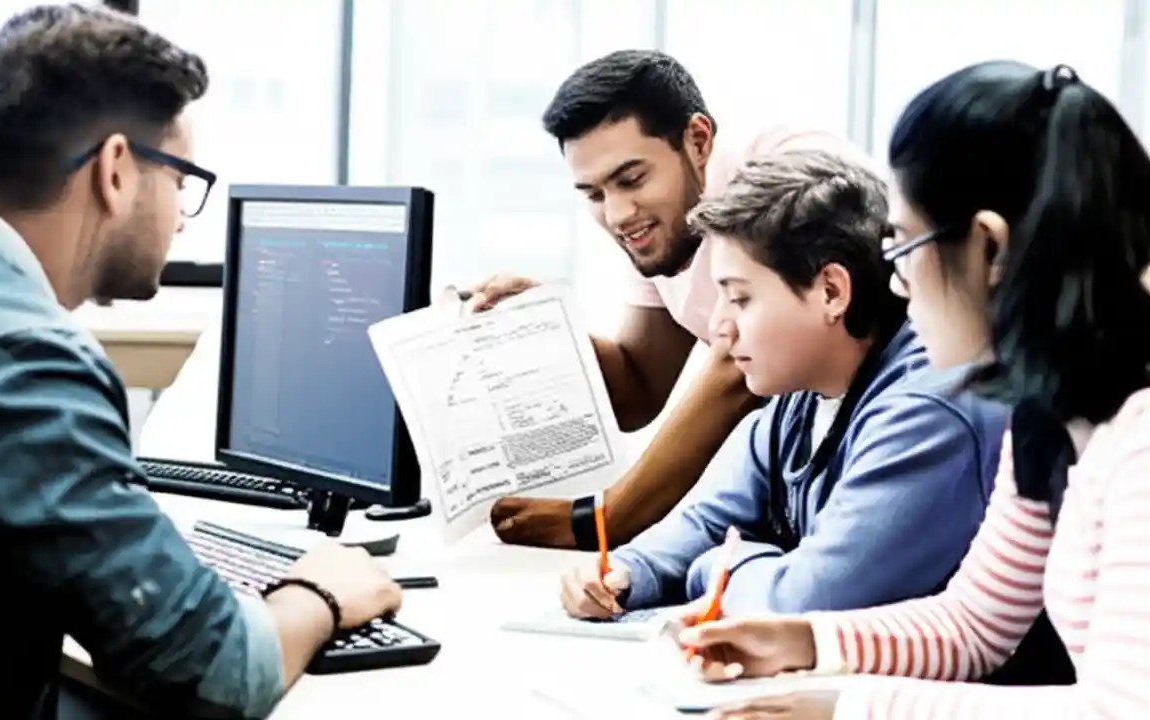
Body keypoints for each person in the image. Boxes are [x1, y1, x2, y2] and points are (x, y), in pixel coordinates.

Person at [0, 5, 400, 718]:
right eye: (182, 179)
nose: (183, 215)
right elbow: (216, 673)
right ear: (116, 169)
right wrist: (321, 592)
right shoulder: (16, 356)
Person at [675, 61, 1150, 720]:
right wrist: (803, 643)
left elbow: (1116, 712)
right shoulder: (1048, 410)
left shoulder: (1139, 444)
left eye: (902, 245)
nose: (895, 282)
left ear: (989, 247)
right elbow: (975, 625)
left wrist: (850, 706)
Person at [559, 149, 1008, 622]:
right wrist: (625, 571)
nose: (719, 325)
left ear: (831, 292)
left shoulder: (928, 411)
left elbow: (806, 600)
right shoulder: (802, 390)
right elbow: (707, 520)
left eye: (740, 298)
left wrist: (719, 567)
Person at [474, 49, 851, 550]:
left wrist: (602, 518)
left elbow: (744, 367)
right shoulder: (665, 231)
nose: (617, 214)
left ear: (697, 141)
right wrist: (546, 330)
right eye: (593, 194)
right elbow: (638, 387)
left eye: (631, 180)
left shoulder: (786, 168)